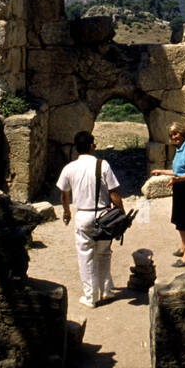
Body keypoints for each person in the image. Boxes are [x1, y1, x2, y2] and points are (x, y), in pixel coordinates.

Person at [57, 130, 126, 308]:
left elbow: (64, 195)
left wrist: (66, 212)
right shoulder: (102, 165)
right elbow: (114, 193)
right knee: (104, 253)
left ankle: (91, 296)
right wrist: (121, 213)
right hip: (103, 215)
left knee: (85, 256)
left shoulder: (69, 168)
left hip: (82, 215)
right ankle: (105, 290)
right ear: (91, 146)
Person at [149, 122, 185, 266]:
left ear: (182, 133)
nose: (173, 137)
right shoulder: (179, 149)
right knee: (179, 220)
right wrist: (161, 171)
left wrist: (178, 179)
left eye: (175, 134)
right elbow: (176, 171)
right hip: (178, 187)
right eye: (171, 135)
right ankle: (183, 247)